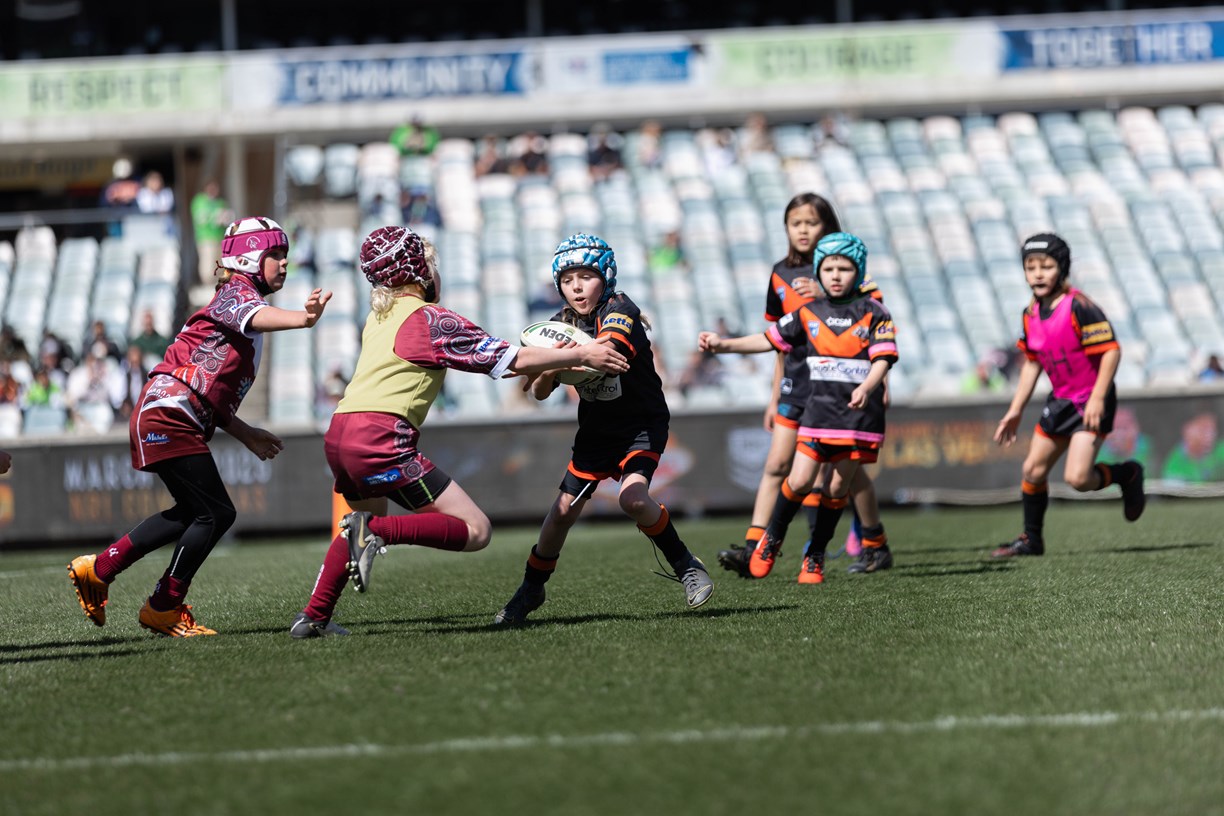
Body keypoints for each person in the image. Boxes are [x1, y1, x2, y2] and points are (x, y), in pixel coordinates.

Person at [290, 226, 629, 638]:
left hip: (340, 434)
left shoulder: (378, 317)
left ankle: (313, 617)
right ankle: (373, 534)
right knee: (475, 530)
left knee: (361, 520)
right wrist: (581, 351)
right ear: (420, 271)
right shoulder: (429, 319)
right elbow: (506, 359)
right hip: (379, 436)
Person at [67, 217, 332, 637]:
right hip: (170, 411)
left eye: (285, 255)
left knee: (194, 512)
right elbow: (253, 316)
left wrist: (247, 434)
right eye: (274, 255)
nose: (284, 264)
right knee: (216, 513)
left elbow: (215, 395)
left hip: (171, 410)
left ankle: (100, 569)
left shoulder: (241, 306)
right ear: (247, 260)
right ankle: (162, 605)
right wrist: (304, 318)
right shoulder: (235, 294)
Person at [491, 234, 713, 627]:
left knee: (632, 500)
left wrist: (553, 359)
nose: (576, 286)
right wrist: (545, 369)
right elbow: (542, 392)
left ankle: (685, 564)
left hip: (640, 424)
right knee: (561, 512)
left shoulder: (620, 310)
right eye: (567, 279)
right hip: (597, 431)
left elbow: (604, 358)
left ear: (606, 275)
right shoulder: (561, 324)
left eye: (585, 276)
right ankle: (532, 587)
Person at [699, 232, 897, 585]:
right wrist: (723, 345)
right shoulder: (807, 313)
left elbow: (883, 358)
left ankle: (814, 557)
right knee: (800, 479)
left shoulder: (875, 312)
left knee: (836, 491)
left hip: (856, 419)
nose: (836, 275)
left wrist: (868, 386)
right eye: (829, 268)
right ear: (820, 272)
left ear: (859, 271)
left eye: (845, 268)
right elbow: (767, 339)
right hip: (818, 415)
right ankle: (770, 543)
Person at [991, 233, 1145, 558]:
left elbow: (1111, 352)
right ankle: (1032, 540)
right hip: (1060, 402)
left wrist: (1099, 398)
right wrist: (1015, 410)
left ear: (1061, 268)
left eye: (1045, 266)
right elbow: (1032, 363)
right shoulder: (1030, 314)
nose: (1037, 273)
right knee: (1032, 470)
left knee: (1078, 479)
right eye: (1030, 266)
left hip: (1091, 401)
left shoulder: (1080, 306)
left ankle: (1127, 474)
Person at [1161, 410, 1224, 483]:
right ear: (1187, 430)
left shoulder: (1220, 449)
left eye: (1212, 430)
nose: (1210, 436)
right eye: (1203, 429)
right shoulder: (1174, 467)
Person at [191, 180, 231, 288]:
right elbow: (200, 218)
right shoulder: (200, 201)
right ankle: (207, 284)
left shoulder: (220, 202)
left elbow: (226, 217)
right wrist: (214, 218)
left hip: (219, 236)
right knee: (207, 261)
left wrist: (223, 218)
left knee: (218, 262)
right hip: (205, 237)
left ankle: (218, 283)